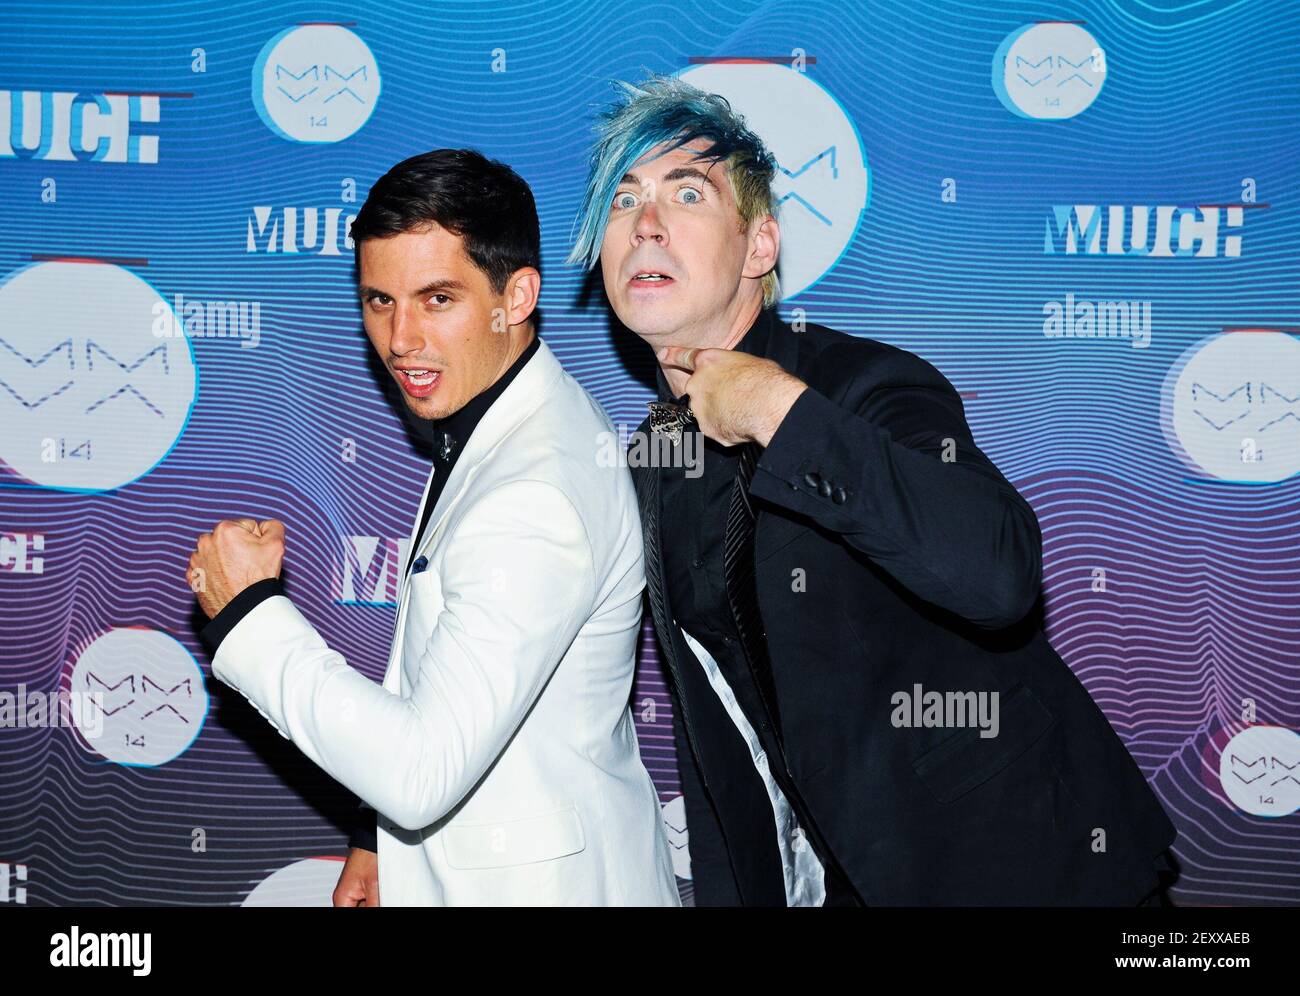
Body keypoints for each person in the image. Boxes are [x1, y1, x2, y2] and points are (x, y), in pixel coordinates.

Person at [567, 73, 1179, 906]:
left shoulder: (863, 385)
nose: (644, 224)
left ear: (759, 247)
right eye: (622, 199)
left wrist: (780, 412)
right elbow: (718, 733)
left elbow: (997, 572)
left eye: (686, 193)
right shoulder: (656, 455)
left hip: (1026, 872)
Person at [188, 148, 679, 907]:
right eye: (379, 301)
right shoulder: (496, 414)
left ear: (515, 297)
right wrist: (376, 836)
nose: (400, 339)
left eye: (437, 299)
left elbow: (421, 773)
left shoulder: (531, 492)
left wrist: (251, 618)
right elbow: (446, 679)